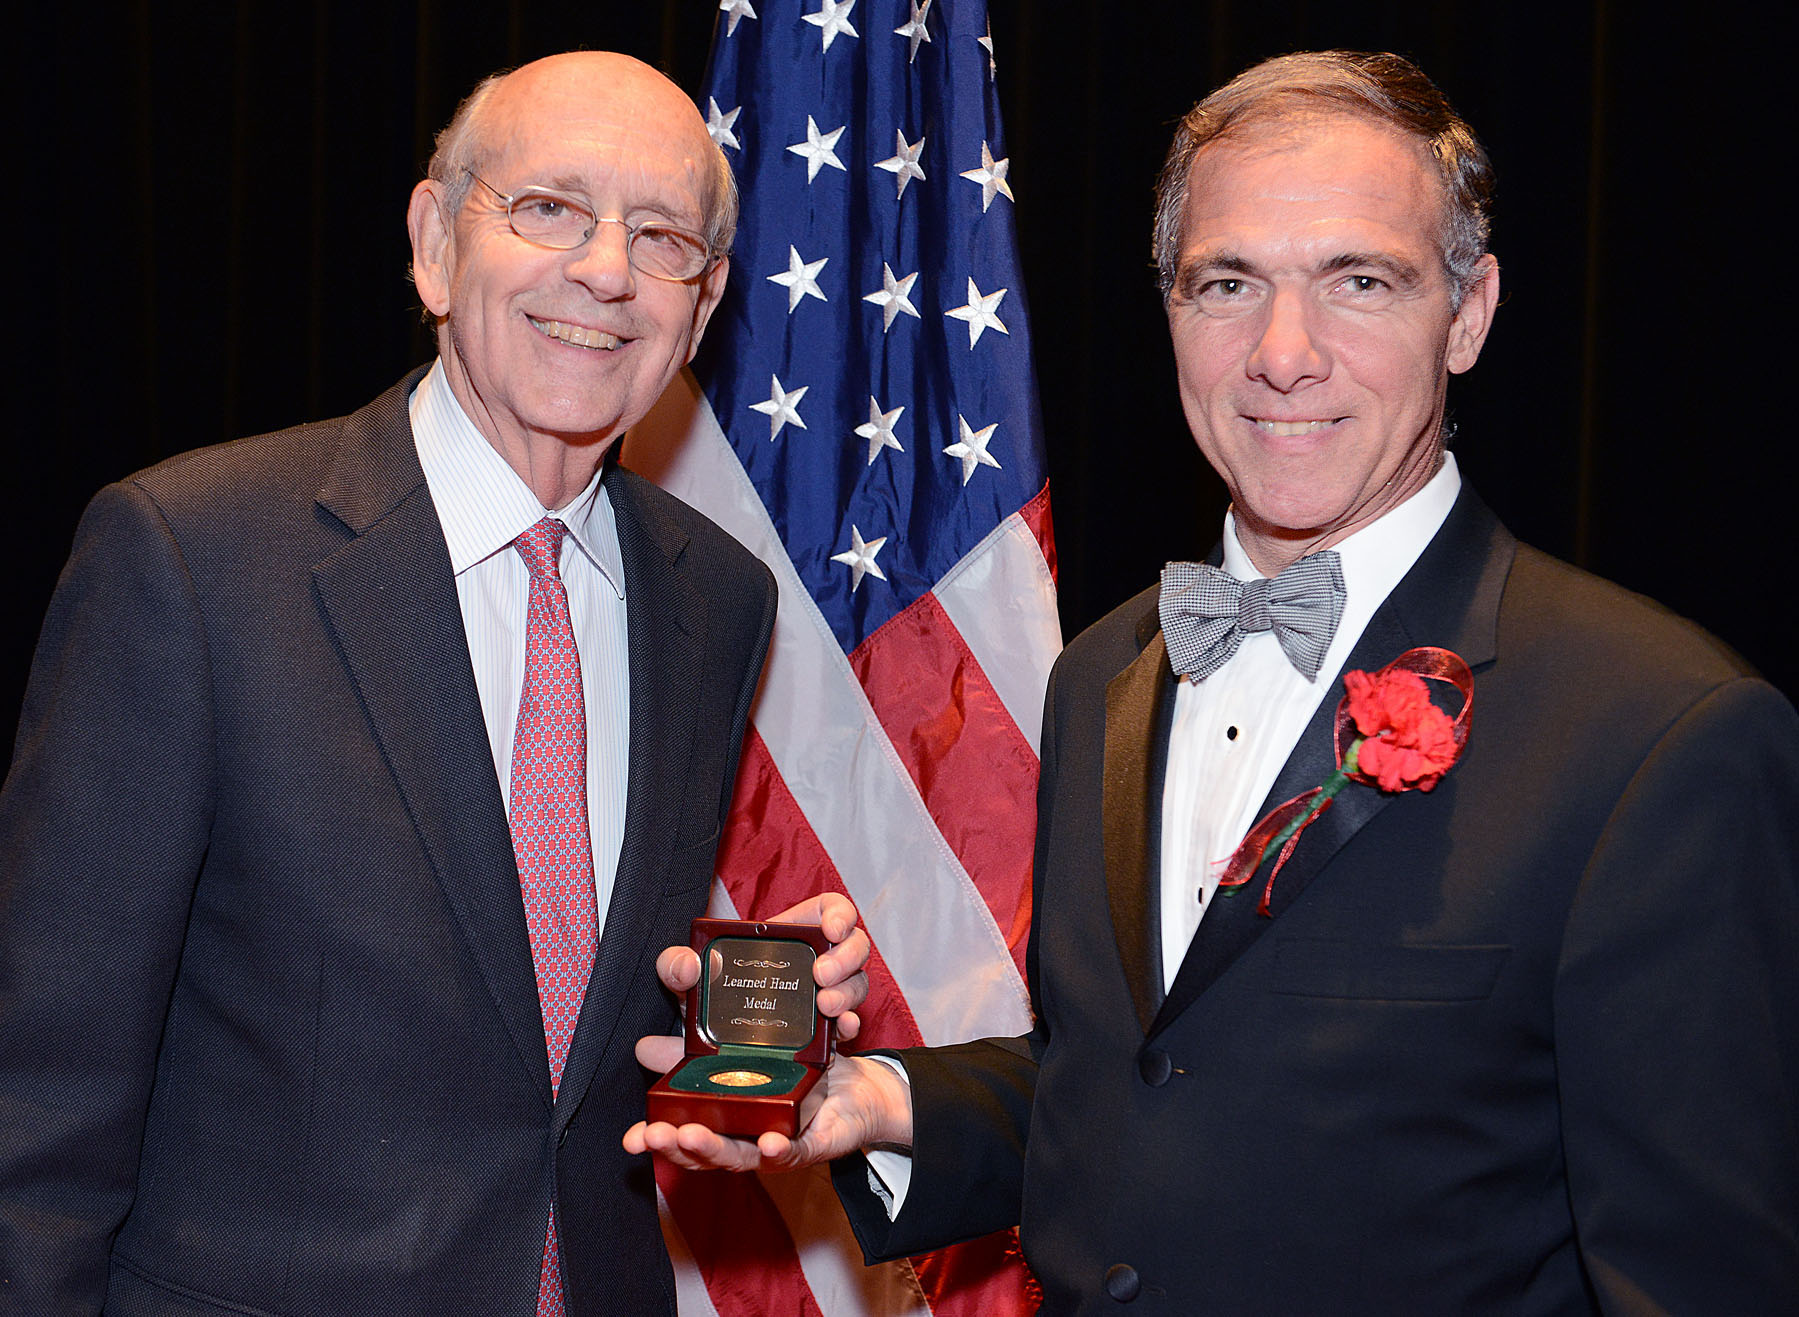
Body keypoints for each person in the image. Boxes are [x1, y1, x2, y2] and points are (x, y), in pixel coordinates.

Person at [627, 50, 1799, 1312]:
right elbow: (1140, 1084)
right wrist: (880, 1098)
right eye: (1227, 283)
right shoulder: (1103, 674)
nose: (1281, 355)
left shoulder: (1654, 731)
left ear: (1468, 314)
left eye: (1358, 281)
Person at [0, 52, 869, 1316]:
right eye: (549, 209)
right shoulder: (191, 556)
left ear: (702, 305)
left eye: (661, 237)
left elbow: (546, 1034)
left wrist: (746, 1030)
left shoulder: (717, 599)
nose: (606, 270)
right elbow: (38, 1093)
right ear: (432, 244)